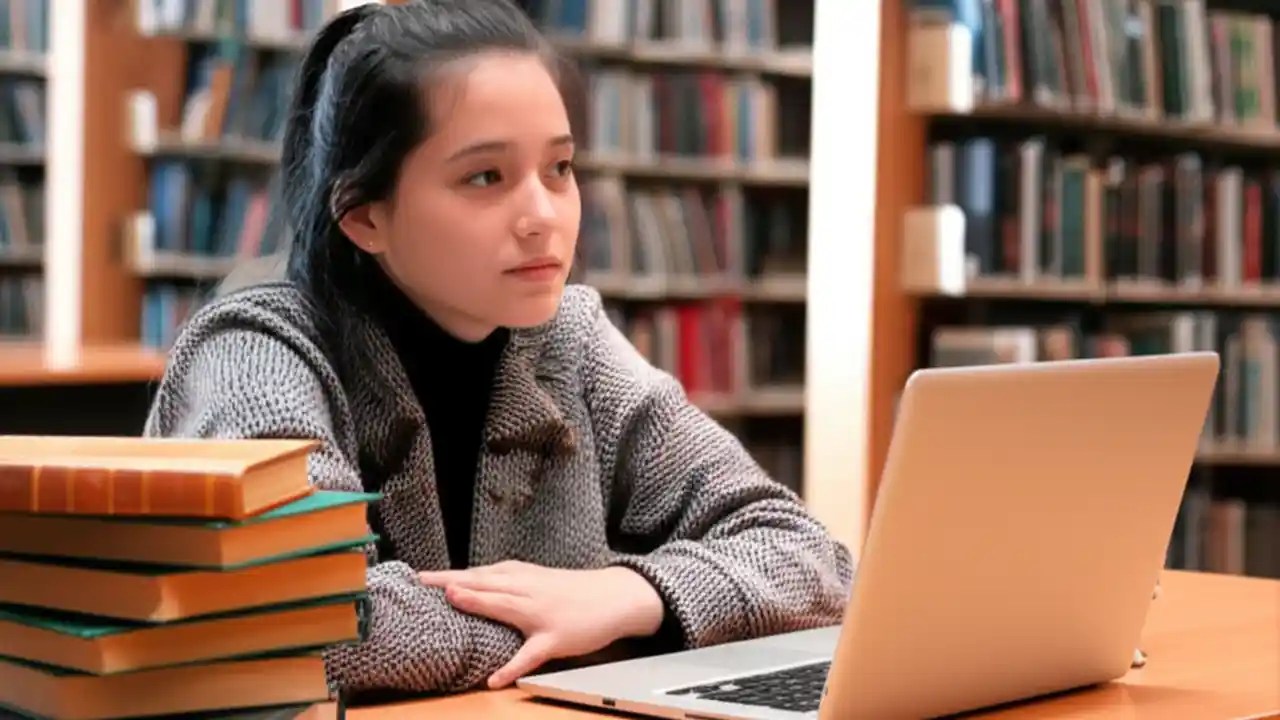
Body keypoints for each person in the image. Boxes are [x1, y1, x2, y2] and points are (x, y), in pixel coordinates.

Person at [143, 0, 854, 701]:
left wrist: (630, 593)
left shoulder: (570, 340)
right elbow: (302, 613)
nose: (543, 216)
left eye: (560, 168)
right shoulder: (257, 352)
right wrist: (583, 631)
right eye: (485, 177)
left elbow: (811, 560)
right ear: (364, 216)